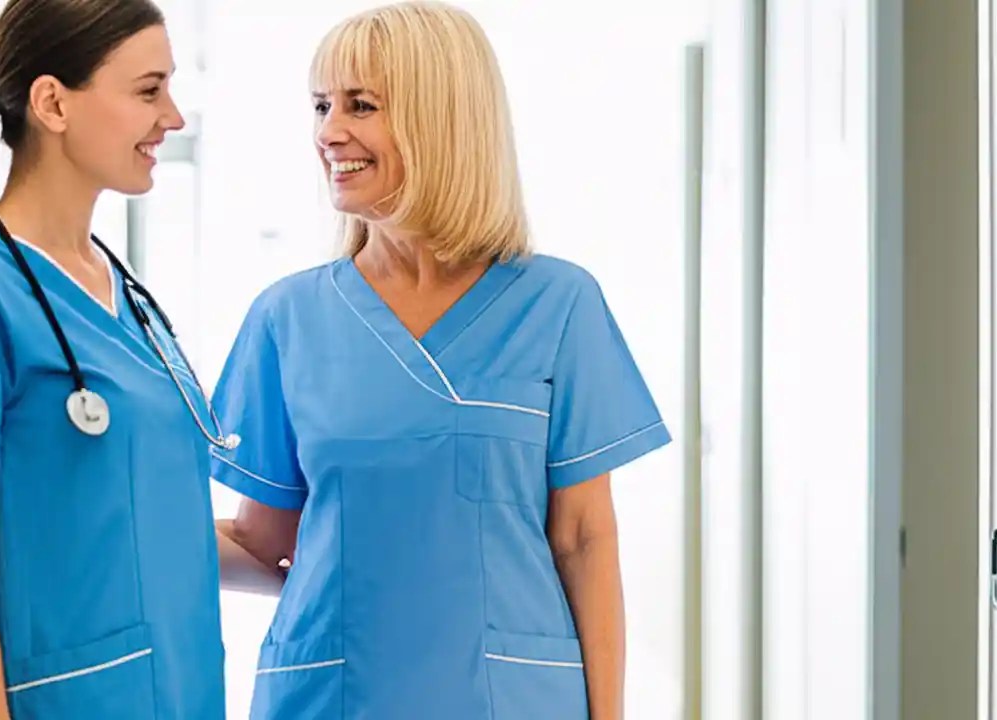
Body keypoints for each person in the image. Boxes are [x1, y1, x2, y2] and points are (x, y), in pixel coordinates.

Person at [210, 3, 671, 719]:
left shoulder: (558, 305)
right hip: (334, 697)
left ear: (442, 119)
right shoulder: (288, 318)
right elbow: (261, 543)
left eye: (360, 105)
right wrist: (101, 532)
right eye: (322, 105)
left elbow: (583, 541)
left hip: (510, 699)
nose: (329, 132)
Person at [0, 1, 278, 717]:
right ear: (52, 103)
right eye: (148, 89)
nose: (173, 117)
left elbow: (139, 526)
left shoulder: (123, 293)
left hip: (186, 693)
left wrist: (320, 559)